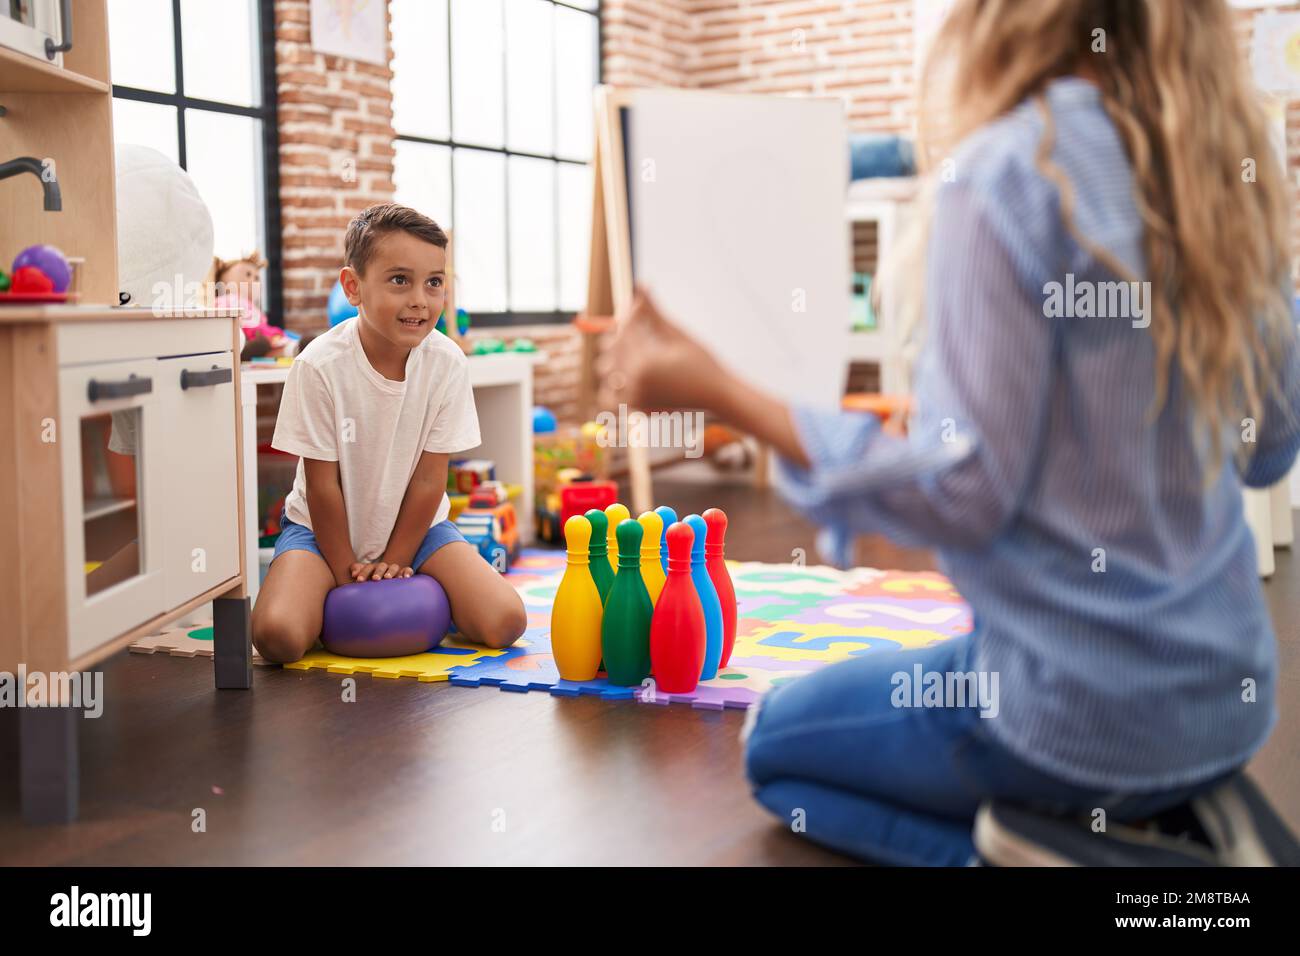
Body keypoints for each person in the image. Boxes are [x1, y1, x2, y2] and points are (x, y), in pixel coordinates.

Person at [603, 0, 1300, 866]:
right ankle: (1173, 818)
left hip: (1070, 713)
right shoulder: (1222, 175)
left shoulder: (1013, 169)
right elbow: (1269, 444)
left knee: (774, 744)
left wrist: (713, 390)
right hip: (1227, 697)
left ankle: (1060, 854)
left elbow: (961, 490)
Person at [252, 203, 527, 664]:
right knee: (276, 636)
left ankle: (435, 598)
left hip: (420, 533)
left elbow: (428, 480)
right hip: (321, 535)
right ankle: (323, 601)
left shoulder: (446, 362)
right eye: (400, 280)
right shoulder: (318, 365)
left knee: (506, 621)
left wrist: (397, 563)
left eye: (434, 282)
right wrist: (345, 576)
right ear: (353, 287)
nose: (420, 299)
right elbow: (322, 486)